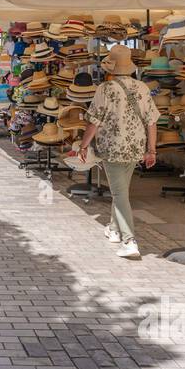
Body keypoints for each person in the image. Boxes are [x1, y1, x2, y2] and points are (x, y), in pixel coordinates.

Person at [69, 45, 157, 259]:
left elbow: (94, 122)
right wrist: (151, 150)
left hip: (112, 148)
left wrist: (83, 146)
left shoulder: (105, 89)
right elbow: (152, 121)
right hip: (136, 147)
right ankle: (114, 229)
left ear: (112, 67)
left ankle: (130, 241)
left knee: (119, 193)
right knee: (122, 191)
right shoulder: (142, 88)